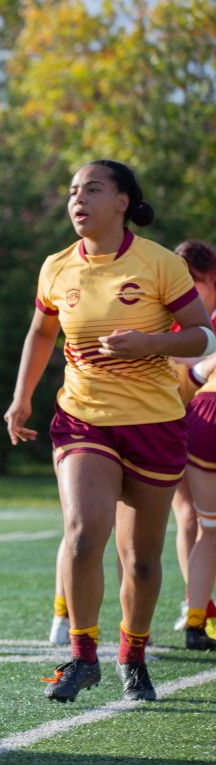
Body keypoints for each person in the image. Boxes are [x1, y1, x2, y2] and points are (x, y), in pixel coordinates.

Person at [5, 160, 214, 703]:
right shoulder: (56, 267)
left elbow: (202, 339)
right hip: (82, 418)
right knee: (80, 534)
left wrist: (149, 344)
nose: (79, 200)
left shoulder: (160, 263)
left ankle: (134, 657)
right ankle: (81, 655)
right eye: (73, 191)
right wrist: (22, 397)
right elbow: (40, 331)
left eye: (93, 190)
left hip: (154, 425)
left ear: (122, 201)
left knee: (141, 561)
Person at [170, 240, 216, 638]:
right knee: (191, 518)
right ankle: (195, 605)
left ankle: (199, 609)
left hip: (195, 415)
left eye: (193, 281)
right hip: (180, 418)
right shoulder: (171, 312)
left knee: (206, 524)